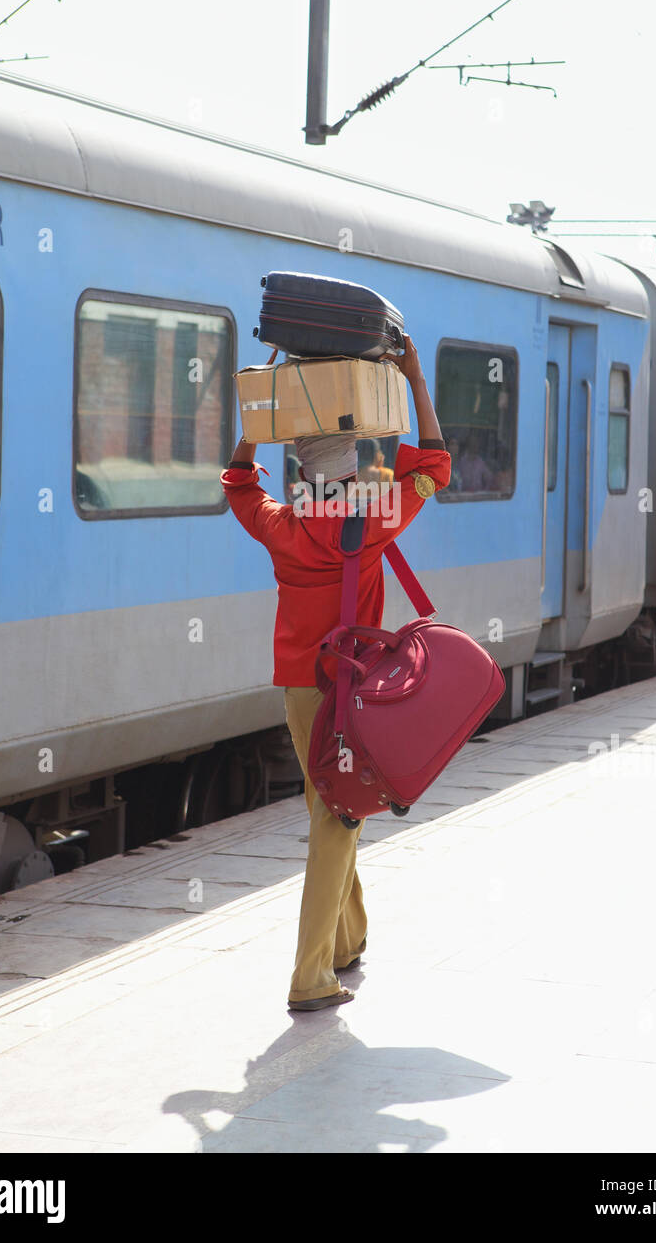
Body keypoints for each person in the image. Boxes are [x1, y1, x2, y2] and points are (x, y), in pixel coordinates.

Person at [221, 335, 450, 1011]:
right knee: (339, 815)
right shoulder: (374, 518)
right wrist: (412, 376)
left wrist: (257, 417)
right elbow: (434, 463)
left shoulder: (282, 525)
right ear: (353, 471)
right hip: (351, 690)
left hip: (298, 688)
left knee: (331, 804)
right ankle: (309, 974)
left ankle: (348, 941)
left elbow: (238, 483)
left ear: (303, 473)